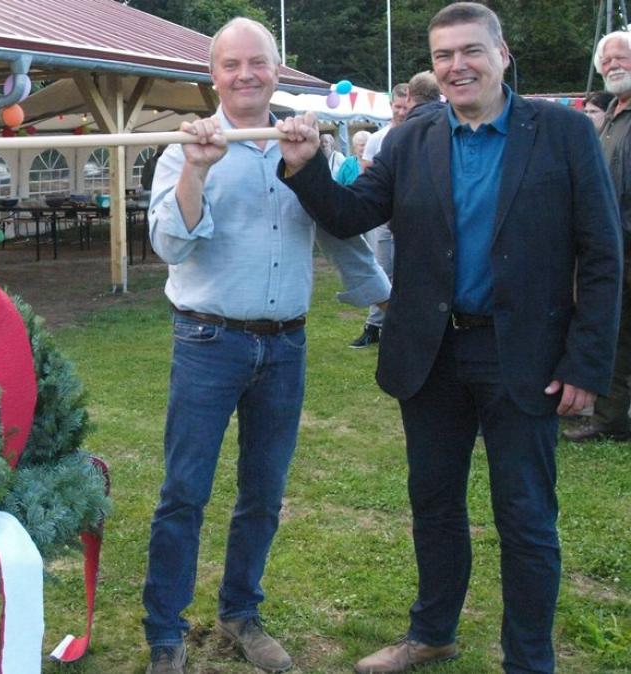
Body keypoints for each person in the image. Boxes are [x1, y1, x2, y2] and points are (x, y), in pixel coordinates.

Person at [276, 3, 621, 672]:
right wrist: (307, 165)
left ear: (502, 54)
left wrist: (586, 361)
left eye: (470, 51)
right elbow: (351, 215)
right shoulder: (413, 137)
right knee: (433, 504)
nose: (457, 66)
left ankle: (529, 659)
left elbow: (602, 256)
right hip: (431, 354)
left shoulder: (562, 134)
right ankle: (432, 632)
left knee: (525, 517)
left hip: (524, 357)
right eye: (443, 56)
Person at [143, 17, 391, 674]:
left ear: (278, 72)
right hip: (208, 341)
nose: (246, 75)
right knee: (184, 490)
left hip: (285, 349)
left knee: (263, 491)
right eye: (232, 65)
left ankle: (240, 613)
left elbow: (342, 230)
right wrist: (197, 170)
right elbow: (169, 245)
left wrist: (387, 300)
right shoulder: (182, 150)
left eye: (259, 63)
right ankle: (166, 631)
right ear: (213, 74)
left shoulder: (304, 144)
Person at [566, 32, 631, 442]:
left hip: (624, 244)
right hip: (610, 249)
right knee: (616, 333)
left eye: (620, 56)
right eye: (605, 59)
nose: (611, 64)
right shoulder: (612, 115)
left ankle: (609, 421)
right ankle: (608, 417)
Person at [347, 84, 409, 349]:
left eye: (407, 107)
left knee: (410, 272)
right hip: (383, 217)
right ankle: (374, 326)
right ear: (391, 106)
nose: (402, 111)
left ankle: (404, 330)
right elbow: (367, 180)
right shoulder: (378, 138)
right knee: (382, 268)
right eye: (398, 106)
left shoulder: (421, 136)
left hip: (412, 216)